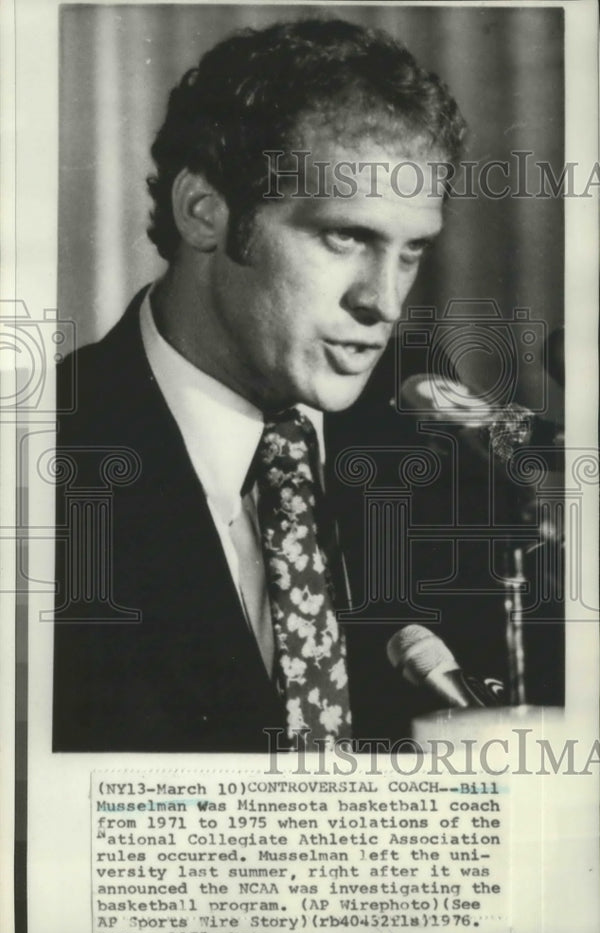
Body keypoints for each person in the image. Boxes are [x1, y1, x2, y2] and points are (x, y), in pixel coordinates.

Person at [53, 18, 560, 753]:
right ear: (205, 212)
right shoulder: (46, 449)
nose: (383, 302)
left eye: (410, 251)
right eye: (345, 237)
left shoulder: (438, 439)